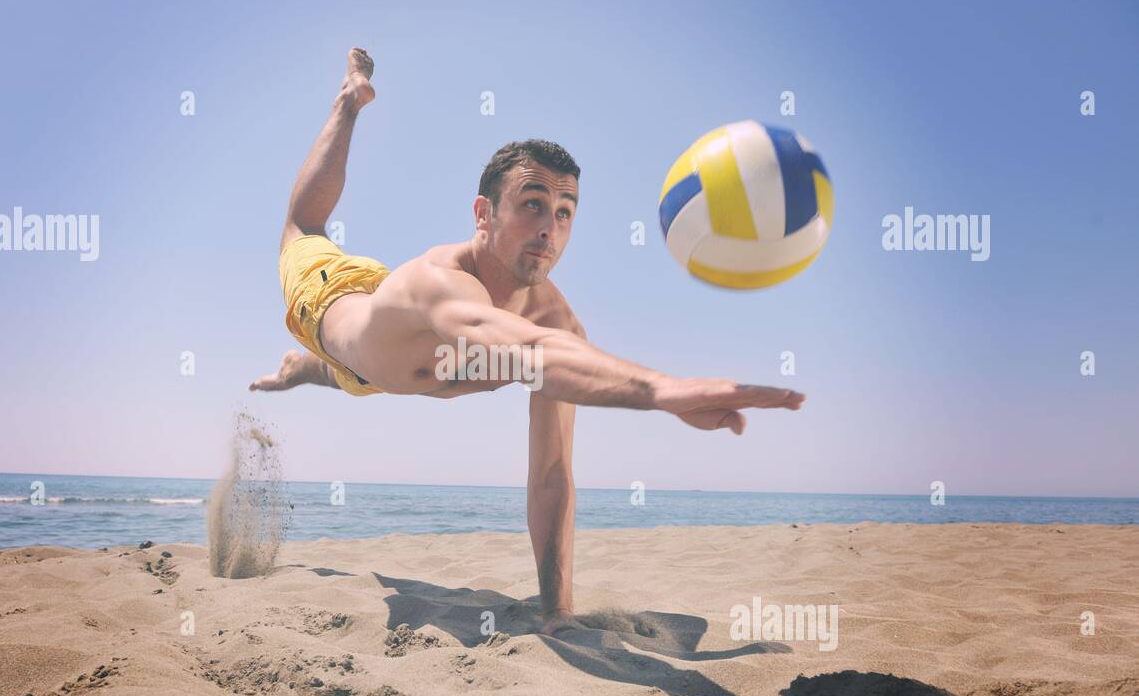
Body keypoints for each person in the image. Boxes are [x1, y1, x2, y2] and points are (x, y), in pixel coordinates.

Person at [252, 48, 805, 635]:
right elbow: (521, 349)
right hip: (332, 298)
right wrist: (662, 391)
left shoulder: (558, 322)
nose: (549, 228)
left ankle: (303, 369)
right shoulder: (439, 286)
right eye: (534, 205)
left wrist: (557, 614)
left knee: (356, 376)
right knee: (304, 227)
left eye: (565, 212)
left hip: (386, 370)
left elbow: (551, 474)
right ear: (483, 213)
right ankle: (347, 104)